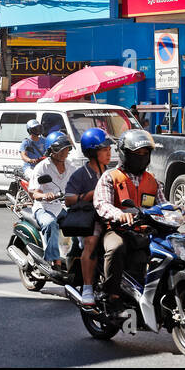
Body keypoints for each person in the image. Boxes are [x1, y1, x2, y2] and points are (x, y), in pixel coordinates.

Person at [94, 129, 185, 300]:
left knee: (174, 248)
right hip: (117, 230)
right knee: (116, 248)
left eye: (146, 153)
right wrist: (118, 214)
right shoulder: (110, 177)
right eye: (137, 153)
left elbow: (163, 205)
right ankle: (111, 294)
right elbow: (102, 204)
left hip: (146, 231)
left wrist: (180, 212)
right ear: (124, 154)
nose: (142, 157)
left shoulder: (152, 181)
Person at [64, 127, 112, 307]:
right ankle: (87, 288)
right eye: (104, 150)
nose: (109, 153)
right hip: (88, 220)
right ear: (92, 152)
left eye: (109, 149)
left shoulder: (111, 173)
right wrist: (88, 195)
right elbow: (68, 199)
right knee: (91, 242)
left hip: (109, 218)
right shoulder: (81, 174)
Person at [28, 133, 74, 270]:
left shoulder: (71, 166)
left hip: (61, 207)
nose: (63, 152)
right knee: (50, 223)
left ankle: (74, 258)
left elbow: (79, 182)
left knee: (79, 224)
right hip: (43, 207)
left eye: (65, 149)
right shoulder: (42, 167)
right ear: (51, 150)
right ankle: (55, 262)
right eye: (59, 149)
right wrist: (44, 195)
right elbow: (34, 193)